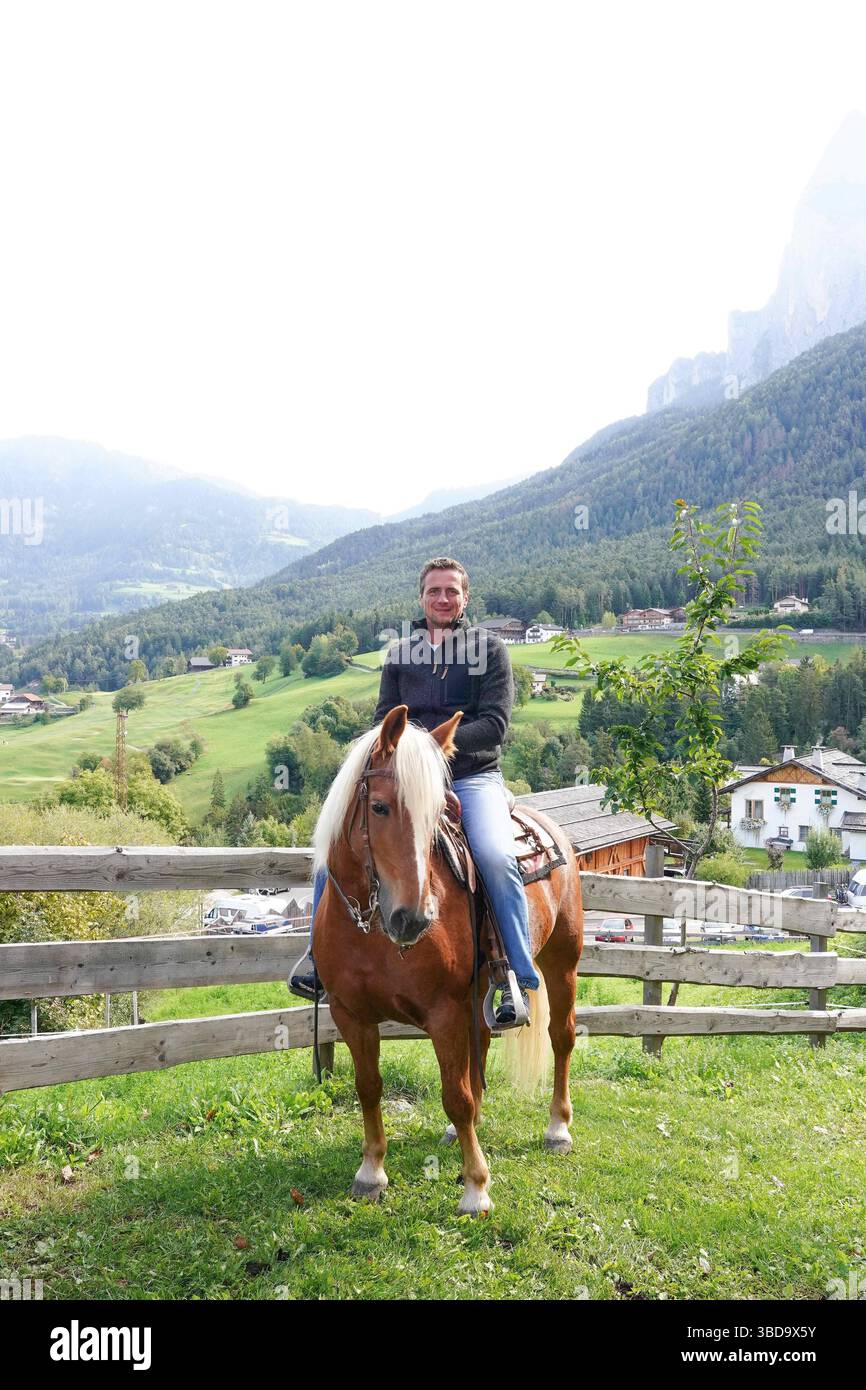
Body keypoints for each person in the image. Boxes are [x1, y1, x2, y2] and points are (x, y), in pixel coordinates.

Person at [290, 556, 539, 1026]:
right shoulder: (401, 654)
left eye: (452, 591)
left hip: (471, 775)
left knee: (495, 857)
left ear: (465, 597)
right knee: (334, 848)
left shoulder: (489, 650)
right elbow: (385, 718)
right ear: (421, 598)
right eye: (434, 591)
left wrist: (427, 748)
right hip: (404, 781)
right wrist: (407, 756)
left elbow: (495, 726)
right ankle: (317, 961)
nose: (443, 599)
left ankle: (514, 978)